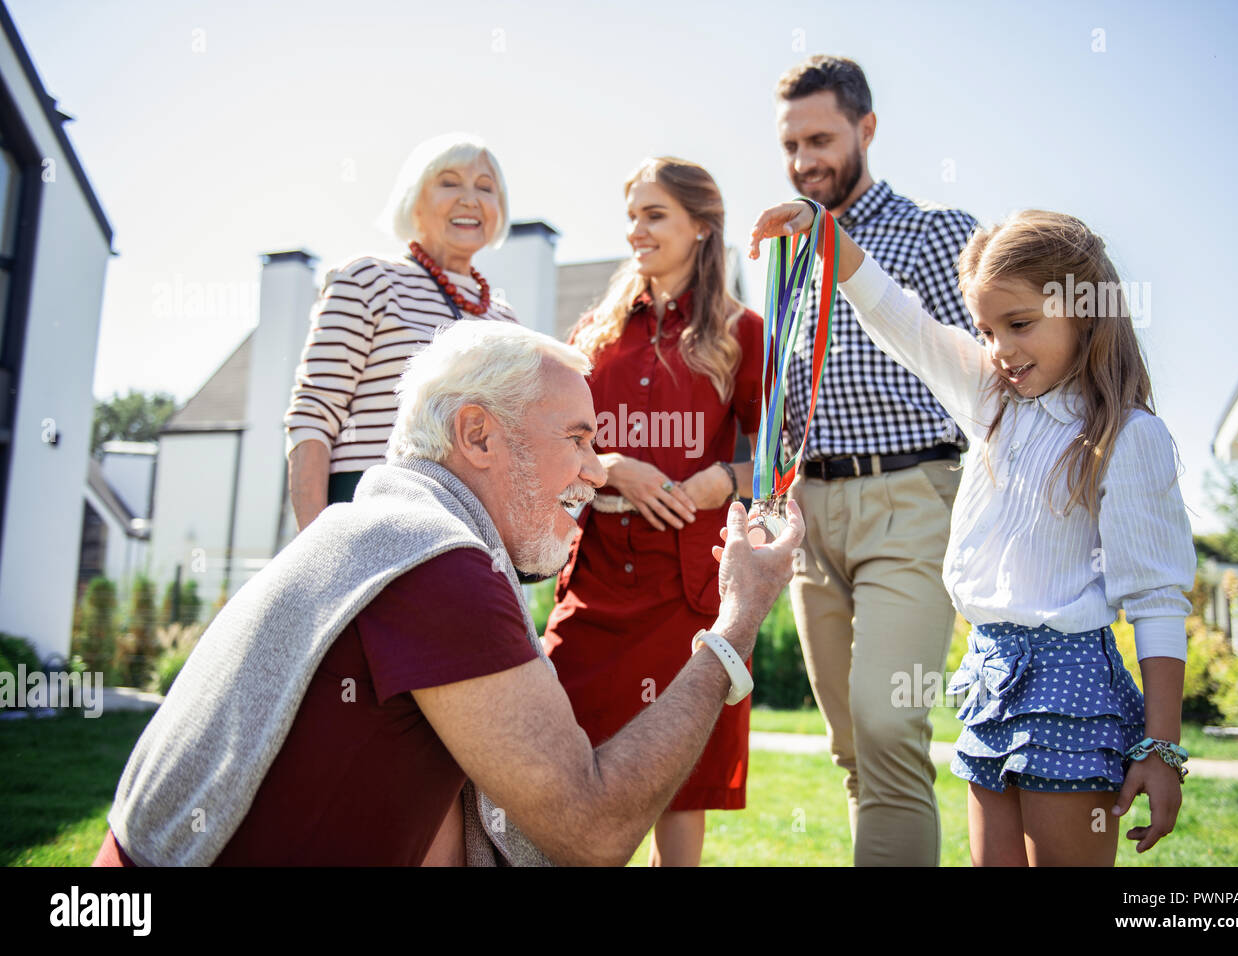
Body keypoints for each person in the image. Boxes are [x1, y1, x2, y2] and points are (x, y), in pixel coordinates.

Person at [93, 320, 804, 867]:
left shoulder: (388, 529)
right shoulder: (437, 566)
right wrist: (735, 624)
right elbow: (594, 829)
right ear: (478, 434)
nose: (597, 471)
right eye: (580, 440)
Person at [749, 200, 1196, 866]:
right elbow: (899, 318)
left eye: (1019, 324)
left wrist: (1161, 750)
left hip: (1068, 685)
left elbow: (1158, 602)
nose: (1001, 350)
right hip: (990, 672)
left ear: (1086, 309)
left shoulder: (1129, 438)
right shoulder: (992, 401)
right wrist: (822, 231)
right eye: (987, 330)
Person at [771, 54, 981, 866]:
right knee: (854, 745)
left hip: (913, 498)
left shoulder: (938, 233)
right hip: (810, 517)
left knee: (893, 725)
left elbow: (991, 364)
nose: (801, 162)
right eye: (789, 145)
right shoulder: (786, 251)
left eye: (819, 138)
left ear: (866, 129)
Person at [541, 157, 764, 867]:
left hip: (689, 595)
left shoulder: (745, 333)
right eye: (631, 214)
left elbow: (783, 467)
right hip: (597, 589)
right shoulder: (593, 335)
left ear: (702, 228)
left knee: (681, 788)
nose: (636, 230)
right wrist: (611, 467)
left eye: (654, 215)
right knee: (562, 771)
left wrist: (718, 483)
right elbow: (553, 447)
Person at [284, 133, 517, 528]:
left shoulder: (506, 322)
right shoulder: (368, 279)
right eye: (449, 182)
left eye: (485, 187)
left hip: (470, 522)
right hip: (370, 508)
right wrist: (316, 549)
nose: (469, 199)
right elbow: (313, 416)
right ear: (414, 199)